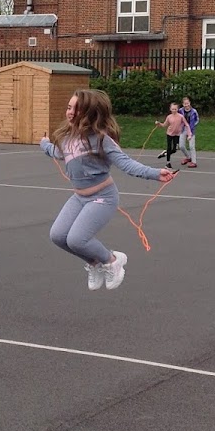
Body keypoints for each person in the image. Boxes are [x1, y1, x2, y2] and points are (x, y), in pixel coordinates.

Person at [41, 89, 175, 291]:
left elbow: (127, 163)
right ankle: (95, 263)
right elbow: (57, 152)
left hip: (102, 197)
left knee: (77, 239)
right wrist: (44, 144)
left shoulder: (102, 140)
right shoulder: (67, 138)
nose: (70, 112)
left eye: (76, 109)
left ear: (89, 114)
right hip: (79, 197)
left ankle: (113, 260)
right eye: (69, 107)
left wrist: (155, 173)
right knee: (58, 236)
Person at [154, 101, 190, 169]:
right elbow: (164, 125)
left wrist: (189, 133)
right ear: (170, 109)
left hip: (177, 134)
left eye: (175, 109)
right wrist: (159, 123)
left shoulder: (181, 116)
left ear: (178, 109)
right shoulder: (169, 117)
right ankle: (168, 163)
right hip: (170, 134)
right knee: (169, 147)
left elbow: (186, 124)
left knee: (174, 149)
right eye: (172, 109)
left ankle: (165, 153)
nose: (174, 110)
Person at [178, 96, 199, 168]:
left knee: (191, 146)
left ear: (189, 103)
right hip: (183, 129)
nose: (186, 105)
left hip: (191, 130)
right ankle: (188, 157)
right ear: (183, 104)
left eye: (187, 103)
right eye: (185, 104)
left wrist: (192, 126)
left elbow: (197, 120)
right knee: (181, 146)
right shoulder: (180, 111)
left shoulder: (194, 111)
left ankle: (194, 162)